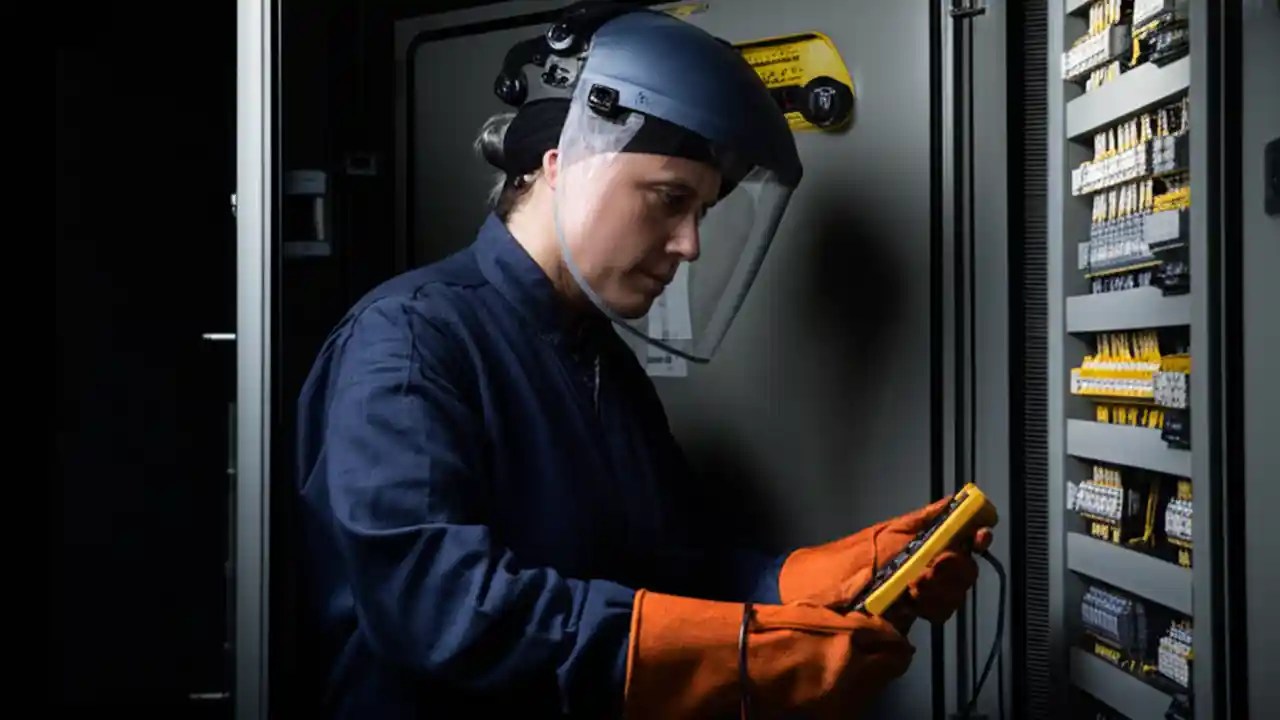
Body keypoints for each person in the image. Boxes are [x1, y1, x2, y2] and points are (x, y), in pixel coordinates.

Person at [294, 4, 993, 718]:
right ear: (559, 163)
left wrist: (814, 579)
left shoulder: (601, 362)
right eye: (668, 199)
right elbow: (439, 607)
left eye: (704, 212)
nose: (690, 244)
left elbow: (676, 571)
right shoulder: (410, 340)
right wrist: (740, 654)